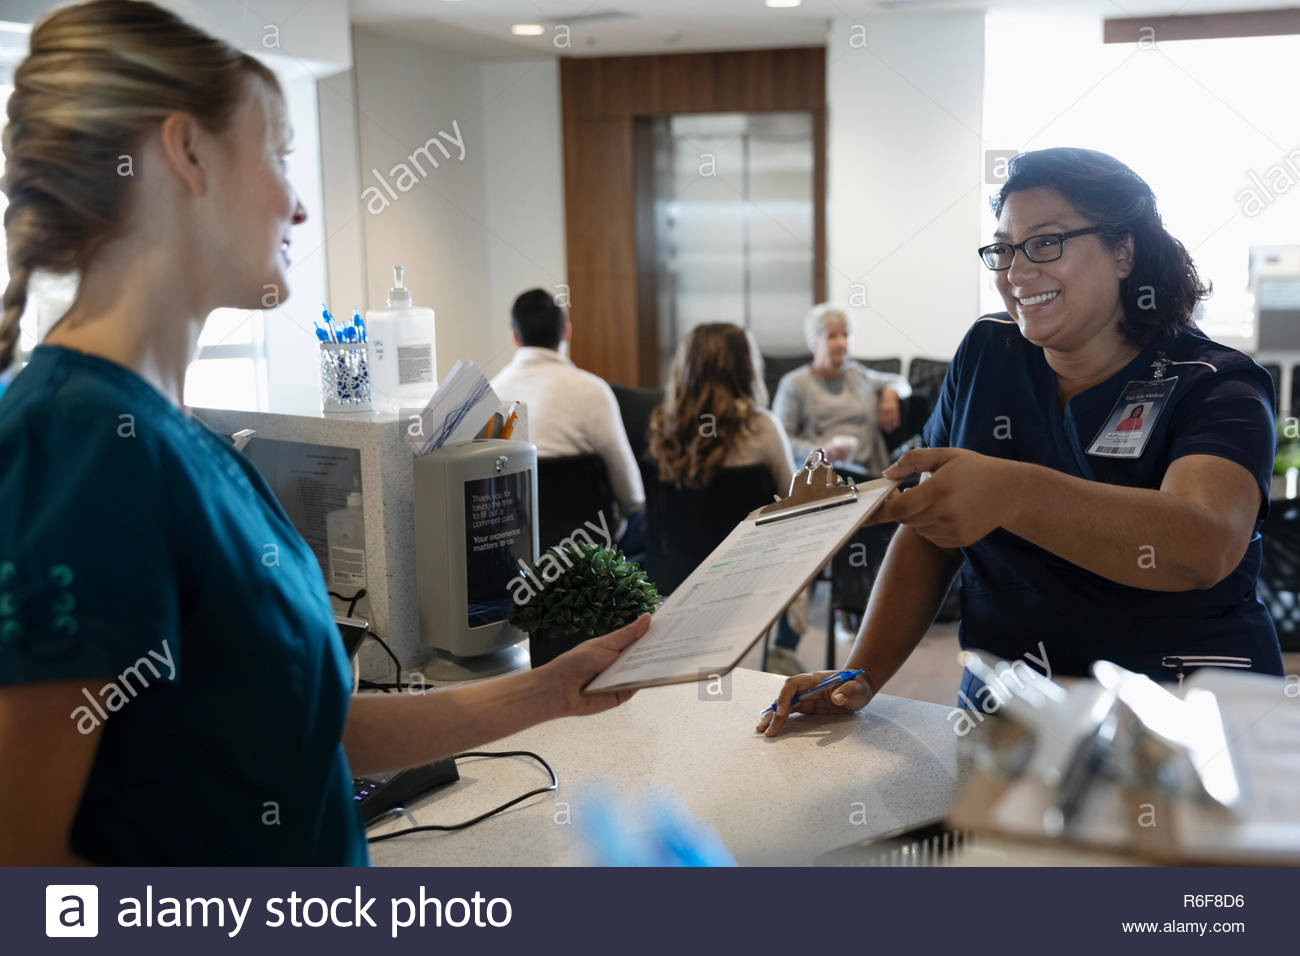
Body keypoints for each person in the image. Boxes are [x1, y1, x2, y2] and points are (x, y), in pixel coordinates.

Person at [0, 0, 648, 865]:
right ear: (185, 152)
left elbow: (300, 733)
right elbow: (25, 863)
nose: (299, 206)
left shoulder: (168, 439)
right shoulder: (78, 445)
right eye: (277, 155)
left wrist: (549, 691)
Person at [759, 147, 1283, 736]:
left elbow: (1201, 546)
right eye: (1004, 249)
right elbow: (933, 533)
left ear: (1123, 251)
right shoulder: (989, 352)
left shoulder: (1215, 382)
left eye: (1046, 243)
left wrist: (1013, 493)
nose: (1016, 271)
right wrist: (857, 675)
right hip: (1009, 714)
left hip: (1182, 721)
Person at [647, 323, 808, 674]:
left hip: (678, 574)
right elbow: (796, 499)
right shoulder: (761, 427)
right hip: (752, 576)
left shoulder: (662, 426)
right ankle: (783, 646)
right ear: (746, 368)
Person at [490, 288, 645, 536]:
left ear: (515, 338)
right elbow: (632, 494)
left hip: (516, 554)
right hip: (590, 552)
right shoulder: (592, 391)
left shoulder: (491, 394)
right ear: (566, 331)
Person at [773, 304, 911, 475]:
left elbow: (901, 383)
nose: (842, 343)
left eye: (846, 335)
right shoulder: (794, 384)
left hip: (868, 472)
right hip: (822, 473)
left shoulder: (858, 375)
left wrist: (890, 394)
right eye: (832, 336)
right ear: (814, 342)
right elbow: (781, 440)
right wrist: (820, 451)